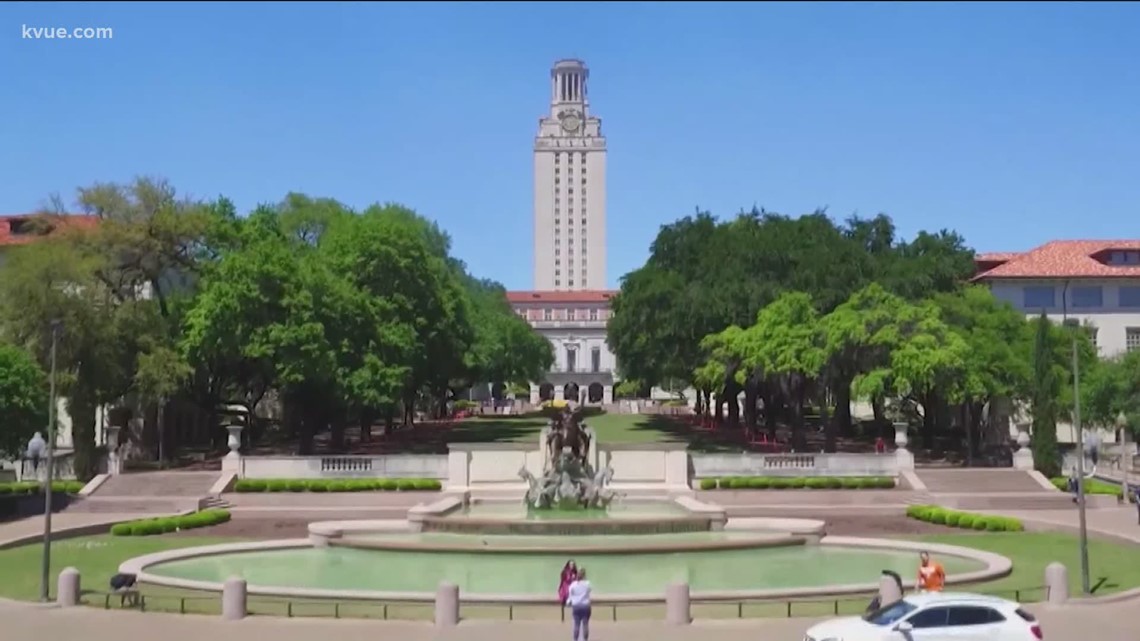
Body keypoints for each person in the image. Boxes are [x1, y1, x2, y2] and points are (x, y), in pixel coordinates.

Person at [566, 567, 592, 641]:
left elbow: (570, 595)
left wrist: (569, 602)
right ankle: (585, 639)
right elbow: (589, 590)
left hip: (576, 606)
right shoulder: (587, 583)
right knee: (585, 624)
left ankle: (575, 639)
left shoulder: (573, 585)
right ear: (584, 575)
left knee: (576, 625)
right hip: (585, 606)